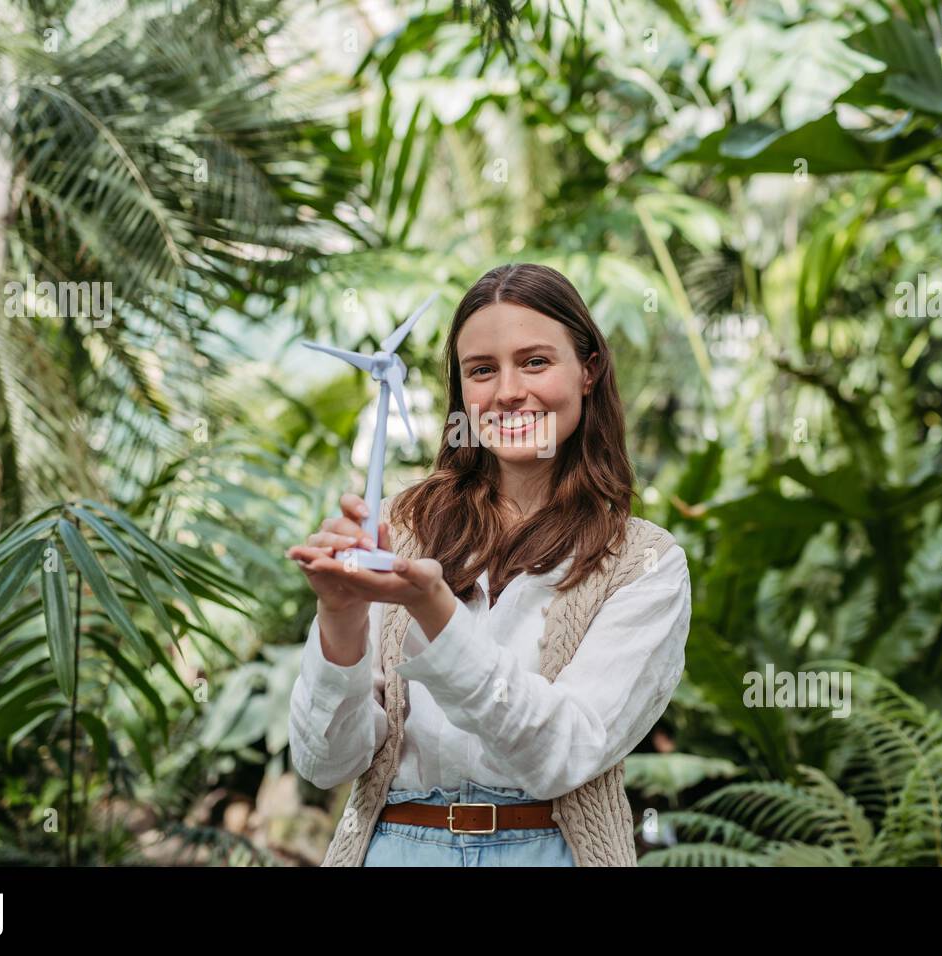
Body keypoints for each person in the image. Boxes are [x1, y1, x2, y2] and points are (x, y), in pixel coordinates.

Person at [287, 262, 690, 866]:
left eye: (535, 361)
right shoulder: (398, 528)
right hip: (396, 849)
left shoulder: (644, 563)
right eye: (481, 370)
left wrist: (436, 613)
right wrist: (340, 616)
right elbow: (325, 764)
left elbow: (562, 752)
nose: (507, 392)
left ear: (589, 370)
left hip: (549, 851)